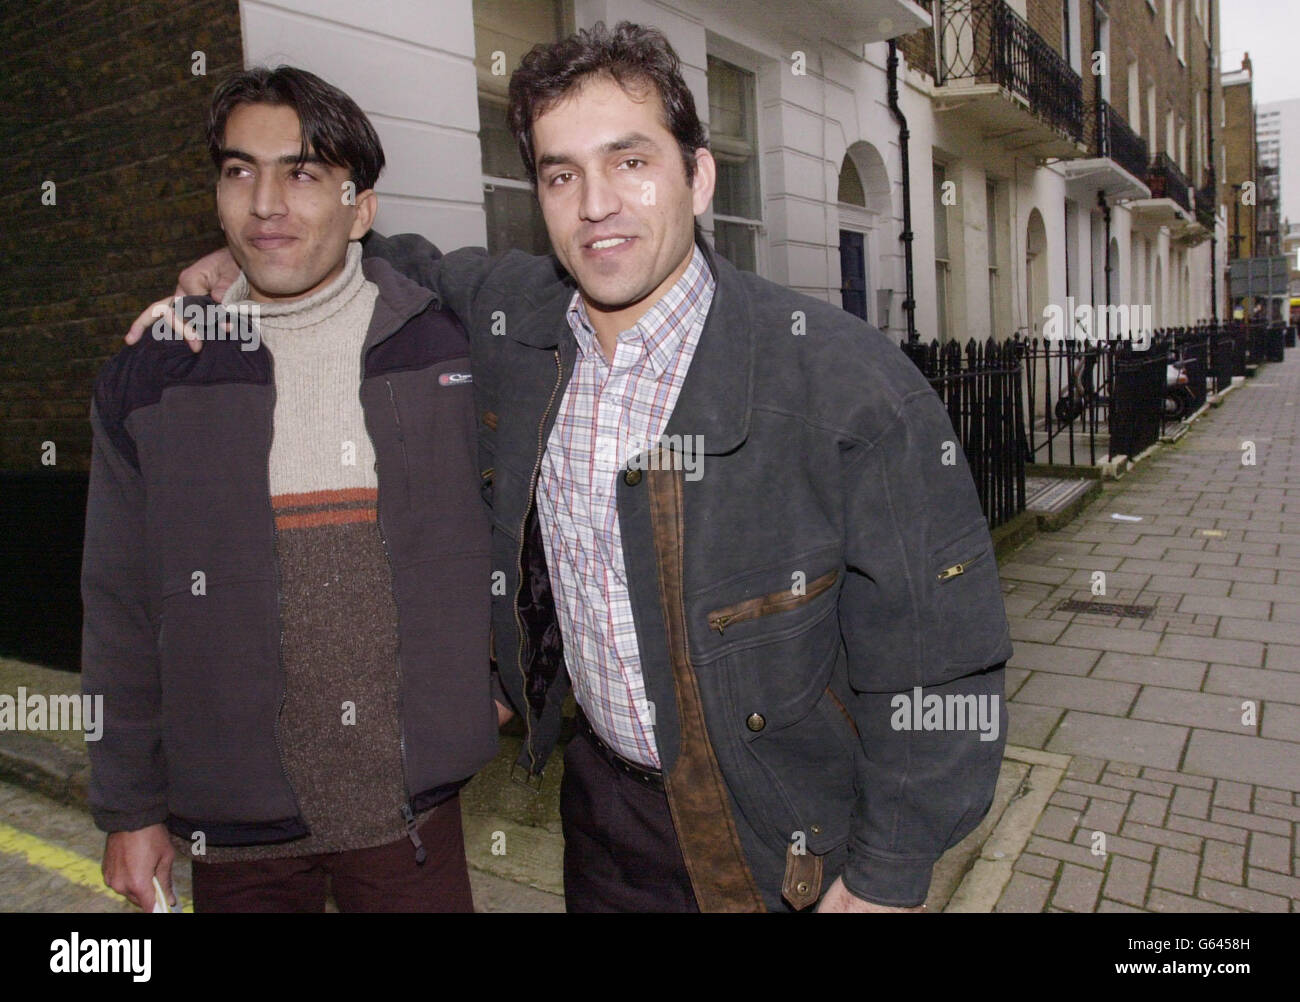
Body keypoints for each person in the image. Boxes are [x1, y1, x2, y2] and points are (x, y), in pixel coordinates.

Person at [128, 22, 1012, 913]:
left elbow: (942, 657)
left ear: (698, 177)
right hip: (599, 812)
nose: (596, 205)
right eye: (560, 174)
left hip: (779, 834)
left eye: (630, 162)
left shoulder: (847, 384)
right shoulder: (518, 321)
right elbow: (396, 260)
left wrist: (889, 872)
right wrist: (243, 264)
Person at [86, 66, 504, 912]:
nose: (266, 202)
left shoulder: (448, 349)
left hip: (411, 818)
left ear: (361, 206)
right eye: (241, 171)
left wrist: (497, 672)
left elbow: (522, 519)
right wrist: (129, 808)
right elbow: (120, 605)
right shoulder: (155, 379)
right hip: (232, 827)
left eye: (303, 173)